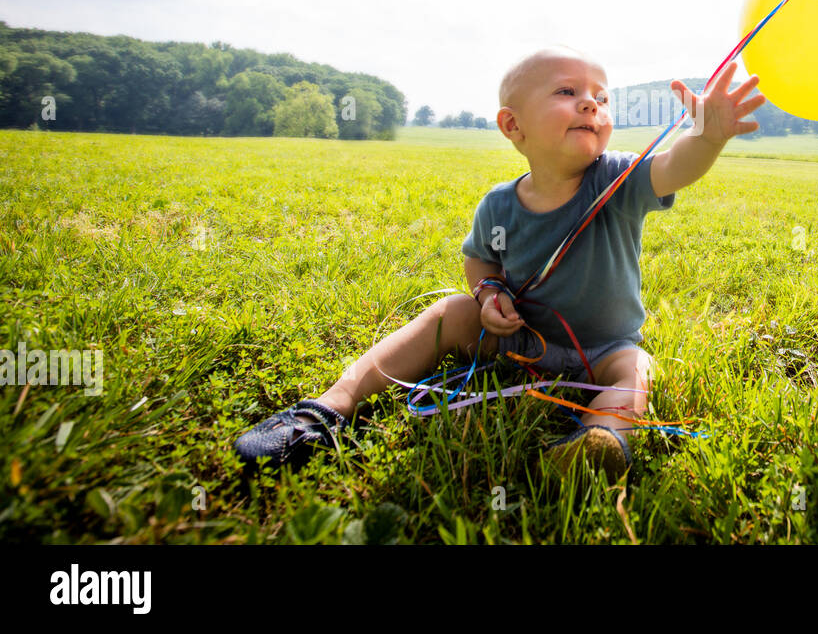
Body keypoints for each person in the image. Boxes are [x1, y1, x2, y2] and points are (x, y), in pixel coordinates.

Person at [234, 44, 764, 479]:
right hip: (518, 342)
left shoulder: (618, 179)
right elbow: (479, 263)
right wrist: (489, 295)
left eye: (601, 99)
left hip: (601, 350)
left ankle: (599, 439)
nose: (591, 105)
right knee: (449, 313)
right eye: (568, 92)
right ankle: (328, 407)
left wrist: (708, 136)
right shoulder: (499, 205)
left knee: (634, 368)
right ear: (514, 126)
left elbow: (674, 168)